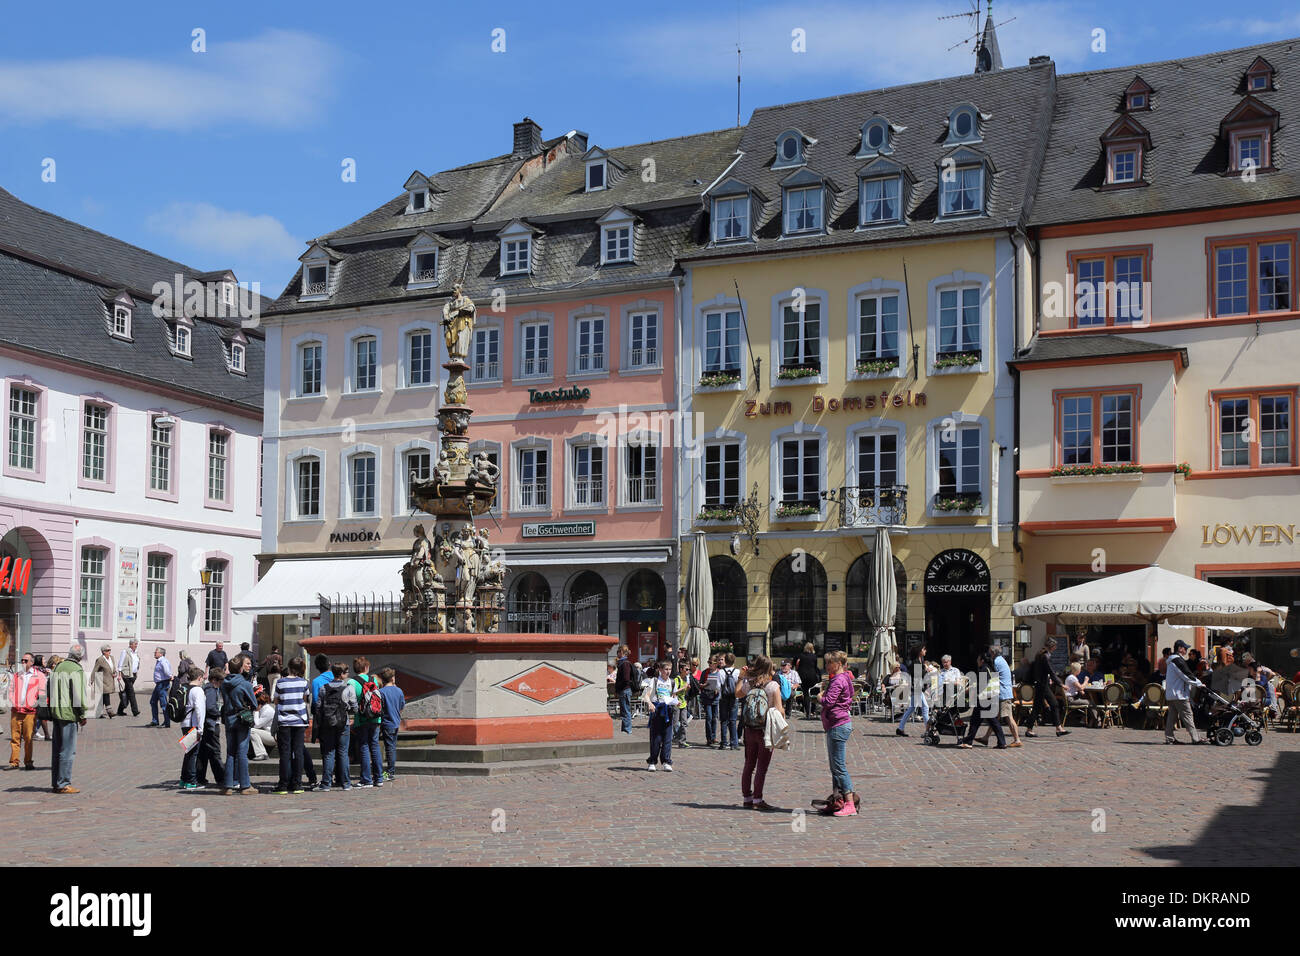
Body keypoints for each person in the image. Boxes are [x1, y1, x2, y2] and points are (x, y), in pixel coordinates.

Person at [737, 655, 784, 810]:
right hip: (765, 730)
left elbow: (737, 693)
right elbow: (779, 710)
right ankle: (758, 799)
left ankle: (747, 798)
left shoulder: (750, 684)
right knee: (762, 766)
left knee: (749, 764)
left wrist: (740, 677)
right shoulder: (773, 686)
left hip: (749, 729)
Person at [819, 650, 857, 816]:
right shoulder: (844, 678)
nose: (826, 666)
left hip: (838, 725)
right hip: (838, 724)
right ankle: (837, 800)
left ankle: (849, 803)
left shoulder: (838, 680)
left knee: (839, 767)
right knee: (835, 767)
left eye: (829, 663)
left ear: (839, 664)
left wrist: (820, 697)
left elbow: (828, 701)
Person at [48, 645, 87, 794]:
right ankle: (63, 783)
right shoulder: (76, 669)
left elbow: (49, 687)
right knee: (68, 750)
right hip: (69, 713)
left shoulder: (58, 666)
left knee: (57, 749)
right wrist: (82, 714)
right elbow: (78, 695)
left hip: (56, 712)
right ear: (80, 657)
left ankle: (56, 782)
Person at [271, 656, 311, 795]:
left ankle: (283, 784)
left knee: (285, 753)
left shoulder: (281, 682)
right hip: (299, 721)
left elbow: (276, 700)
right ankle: (297, 784)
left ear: (288, 666)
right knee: (298, 752)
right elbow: (305, 699)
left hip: (285, 721)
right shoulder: (303, 682)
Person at [220, 653, 259, 795]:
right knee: (242, 753)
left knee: (230, 752)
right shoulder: (244, 684)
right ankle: (245, 785)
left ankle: (228, 785)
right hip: (242, 719)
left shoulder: (224, 683)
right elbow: (254, 704)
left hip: (229, 718)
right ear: (241, 669)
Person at [315, 664, 356, 791]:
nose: (348, 674)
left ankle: (326, 783)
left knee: (328, 753)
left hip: (328, 724)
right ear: (342, 674)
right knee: (343, 753)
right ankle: (346, 783)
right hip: (343, 723)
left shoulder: (323, 688)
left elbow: (318, 707)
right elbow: (354, 707)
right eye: (347, 672)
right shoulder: (348, 688)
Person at [972, 644, 1022, 748]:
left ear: (993, 652)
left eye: (989, 652)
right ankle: (986, 738)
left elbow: (990, 676)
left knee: (1008, 717)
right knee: (994, 718)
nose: (988, 654)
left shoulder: (996, 662)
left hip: (1003, 693)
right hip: (1003, 691)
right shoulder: (1001, 660)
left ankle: (1017, 739)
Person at [1023, 639, 1070, 738]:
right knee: (1054, 704)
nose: (1056, 648)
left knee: (1037, 707)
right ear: (1052, 646)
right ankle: (1058, 728)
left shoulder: (1040, 654)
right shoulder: (1046, 656)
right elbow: (1051, 672)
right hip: (1043, 685)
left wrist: (1048, 678)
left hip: (1040, 683)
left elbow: (1042, 671)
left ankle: (1029, 729)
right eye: (1055, 646)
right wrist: (1061, 684)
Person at [960, 651, 1008, 749]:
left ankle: (968, 741)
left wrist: (970, 690)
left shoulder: (984, 669)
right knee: (990, 721)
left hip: (985, 698)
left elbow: (982, 684)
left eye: (978, 659)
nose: (977, 661)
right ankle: (1002, 742)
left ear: (982, 660)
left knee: (976, 720)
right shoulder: (991, 668)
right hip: (992, 696)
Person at [349, 657, 384, 788]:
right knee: (374, 745)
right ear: (366, 668)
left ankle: (366, 779)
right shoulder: (373, 680)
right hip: (376, 717)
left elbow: (350, 700)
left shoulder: (351, 682)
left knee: (364, 746)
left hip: (361, 718)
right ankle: (379, 778)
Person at [7, 652, 45, 770]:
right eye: (22, 660)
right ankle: (14, 762)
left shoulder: (39, 676)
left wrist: (35, 704)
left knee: (28, 738)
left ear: (32, 663)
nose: (23, 662)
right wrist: (14, 701)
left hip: (30, 712)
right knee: (15, 737)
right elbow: (11, 690)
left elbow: (43, 693)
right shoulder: (17, 675)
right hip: (16, 710)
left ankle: (28, 761)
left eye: (25, 660)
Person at [1165, 640, 1205, 744]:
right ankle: (1196, 738)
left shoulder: (1171, 660)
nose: (1186, 650)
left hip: (1171, 694)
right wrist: (1199, 683)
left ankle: (1169, 738)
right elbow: (1186, 675)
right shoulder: (1177, 660)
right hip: (1179, 694)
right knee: (1188, 715)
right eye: (1185, 648)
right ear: (1180, 649)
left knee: (1172, 716)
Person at [643, 659, 677, 771]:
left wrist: (676, 701)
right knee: (656, 738)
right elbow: (646, 695)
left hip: (668, 710)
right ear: (660, 670)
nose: (668, 672)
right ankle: (652, 761)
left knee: (667, 737)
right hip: (657, 710)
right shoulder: (655, 681)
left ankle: (666, 761)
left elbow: (673, 696)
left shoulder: (672, 682)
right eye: (666, 669)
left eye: (670, 669)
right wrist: (649, 703)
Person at [195, 668, 226, 788]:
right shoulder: (212, 690)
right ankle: (221, 777)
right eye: (220, 681)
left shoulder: (208, 689)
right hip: (211, 725)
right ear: (214, 680)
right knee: (215, 752)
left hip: (207, 724)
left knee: (204, 752)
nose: (221, 684)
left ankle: (200, 776)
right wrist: (221, 714)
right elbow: (210, 707)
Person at [178, 666, 206, 790]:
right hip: (193, 724)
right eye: (203, 679)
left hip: (185, 722)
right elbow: (200, 710)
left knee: (188, 752)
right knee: (193, 753)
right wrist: (200, 729)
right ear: (199, 678)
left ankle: (184, 779)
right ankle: (191, 781)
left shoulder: (185, 688)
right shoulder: (198, 691)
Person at [378, 667, 406, 781]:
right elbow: (401, 707)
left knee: (389, 748)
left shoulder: (381, 692)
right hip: (395, 722)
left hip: (386, 722)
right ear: (392, 678)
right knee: (392, 747)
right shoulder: (399, 691)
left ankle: (390, 772)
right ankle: (390, 771)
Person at [896, 645, 930, 736]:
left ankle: (900, 728)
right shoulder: (916, 662)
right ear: (919, 651)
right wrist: (926, 670)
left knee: (911, 708)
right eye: (924, 649)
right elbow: (918, 676)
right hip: (917, 688)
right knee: (925, 708)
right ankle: (928, 731)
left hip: (918, 688)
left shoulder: (920, 661)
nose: (925, 650)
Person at [718, 652, 742, 750]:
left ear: (726, 661)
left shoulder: (721, 672)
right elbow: (740, 684)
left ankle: (724, 743)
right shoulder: (737, 672)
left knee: (724, 720)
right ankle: (734, 743)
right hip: (734, 697)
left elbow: (718, 686)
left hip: (723, 697)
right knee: (733, 720)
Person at [148, 647, 173, 728]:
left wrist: (170, 676)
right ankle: (155, 721)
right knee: (153, 701)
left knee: (163, 703)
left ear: (161, 653)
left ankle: (167, 722)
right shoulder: (159, 661)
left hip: (162, 684)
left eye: (156, 652)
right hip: (159, 684)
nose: (154, 653)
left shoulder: (163, 661)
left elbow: (167, 671)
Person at [89, 645, 117, 719]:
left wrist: (115, 673)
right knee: (106, 695)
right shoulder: (100, 659)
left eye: (110, 650)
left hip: (109, 680)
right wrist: (91, 680)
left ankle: (98, 712)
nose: (109, 652)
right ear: (103, 652)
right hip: (102, 681)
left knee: (102, 698)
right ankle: (110, 711)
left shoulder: (112, 658)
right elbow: (95, 670)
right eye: (107, 650)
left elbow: (114, 668)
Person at [699, 655, 721, 747]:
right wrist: (704, 685)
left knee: (714, 718)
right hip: (707, 697)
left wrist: (718, 689)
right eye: (709, 662)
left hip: (716, 697)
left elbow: (722, 684)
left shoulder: (720, 673)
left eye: (711, 663)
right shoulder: (705, 672)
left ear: (716, 664)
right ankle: (709, 738)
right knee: (709, 718)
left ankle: (713, 736)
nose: (709, 665)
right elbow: (700, 684)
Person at [249, 689, 276, 761]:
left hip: (272, 737)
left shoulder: (268, 710)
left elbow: (257, 725)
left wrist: (256, 711)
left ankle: (262, 753)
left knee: (251, 731)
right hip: (267, 733)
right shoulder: (263, 709)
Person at [613, 645, 635, 735]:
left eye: (618, 651)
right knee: (624, 711)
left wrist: (618, 687)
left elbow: (626, 679)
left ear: (621, 652)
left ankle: (627, 731)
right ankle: (625, 730)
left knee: (626, 711)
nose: (617, 653)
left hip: (625, 690)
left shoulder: (625, 663)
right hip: (624, 690)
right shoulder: (622, 663)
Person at [795, 642, 820, 719]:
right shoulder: (814, 656)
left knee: (805, 694)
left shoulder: (801, 656)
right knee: (813, 693)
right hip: (812, 676)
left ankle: (807, 712)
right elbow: (815, 667)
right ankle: (812, 710)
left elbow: (797, 666)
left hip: (803, 677)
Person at [116, 639, 141, 717]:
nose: (136, 645)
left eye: (137, 644)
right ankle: (135, 710)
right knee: (131, 693)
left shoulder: (136, 653)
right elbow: (120, 663)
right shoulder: (125, 652)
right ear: (130, 644)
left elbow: (136, 662)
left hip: (133, 675)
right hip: (126, 674)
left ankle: (120, 710)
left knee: (127, 692)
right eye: (135, 644)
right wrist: (119, 675)